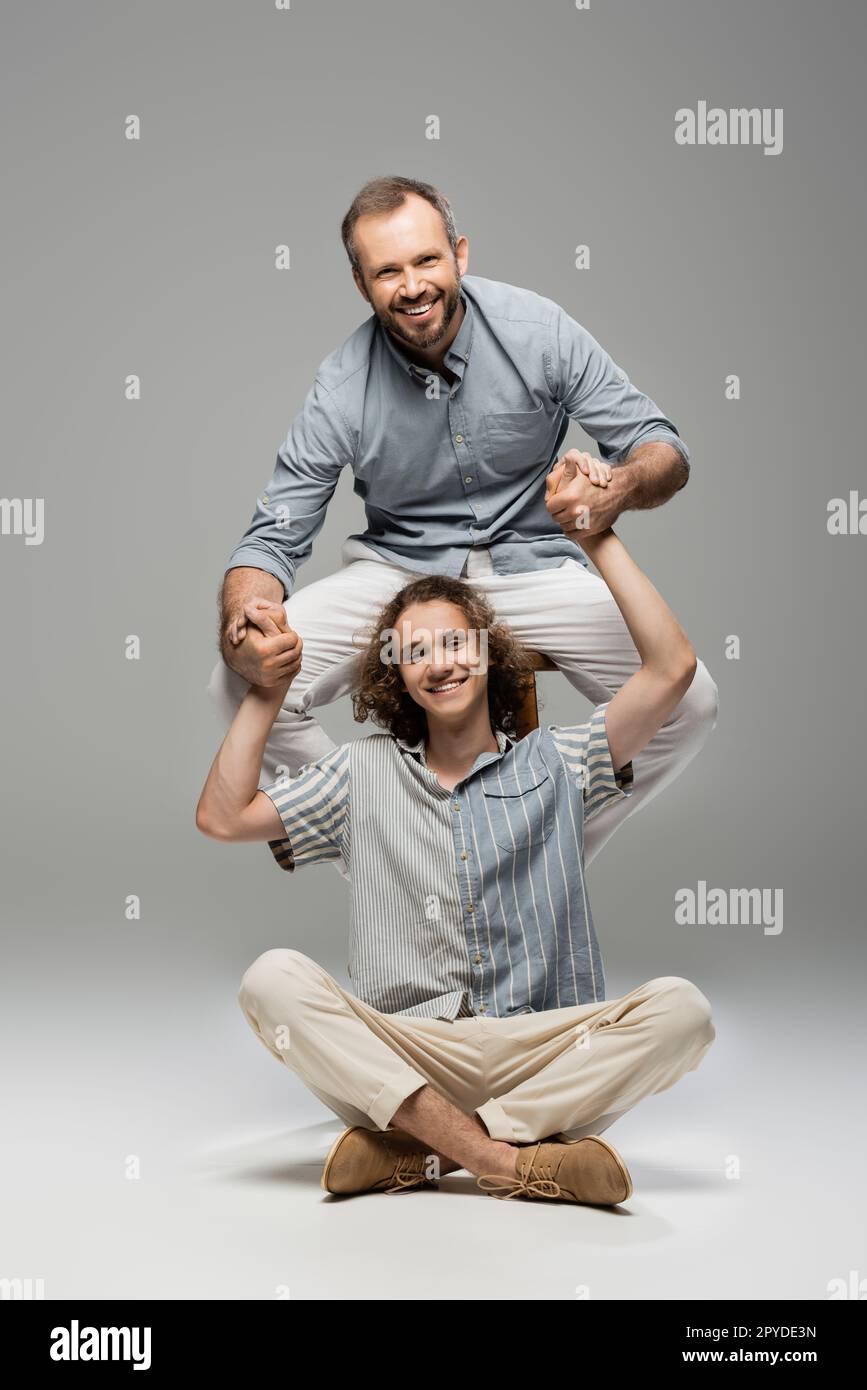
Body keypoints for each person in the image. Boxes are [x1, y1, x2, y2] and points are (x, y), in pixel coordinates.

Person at [196, 476, 716, 1207]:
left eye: (453, 641)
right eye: (416, 653)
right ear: (398, 679)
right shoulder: (359, 772)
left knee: (682, 1010)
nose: (439, 661)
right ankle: (511, 1162)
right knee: (270, 978)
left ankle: (424, 1151)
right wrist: (267, 690)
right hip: (408, 1051)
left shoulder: (561, 762)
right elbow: (222, 818)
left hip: (545, 1050)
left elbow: (673, 671)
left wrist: (596, 538)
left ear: (485, 650)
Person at [207, 174, 718, 876]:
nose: (412, 286)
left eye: (425, 260)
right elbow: (272, 537)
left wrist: (617, 490)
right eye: (387, 271)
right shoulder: (340, 386)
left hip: (535, 566)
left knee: (691, 702)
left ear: (460, 254)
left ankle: (536, 864)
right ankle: (403, 850)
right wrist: (244, 621)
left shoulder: (538, 331)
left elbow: (662, 449)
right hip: (402, 575)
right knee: (235, 685)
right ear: (361, 284)